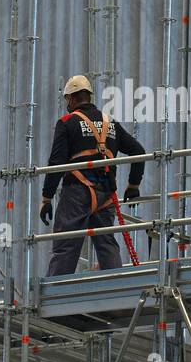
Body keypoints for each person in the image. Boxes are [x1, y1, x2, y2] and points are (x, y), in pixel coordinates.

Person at [40, 75, 146, 276]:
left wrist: (46, 197)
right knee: (106, 244)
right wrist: (133, 185)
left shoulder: (67, 122)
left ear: (71, 99)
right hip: (105, 195)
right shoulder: (110, 123)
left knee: (66, 246)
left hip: (77, 194)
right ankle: (116, 291)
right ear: (88, 96)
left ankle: (57, 296)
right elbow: (139, 152)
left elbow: (56, 164)